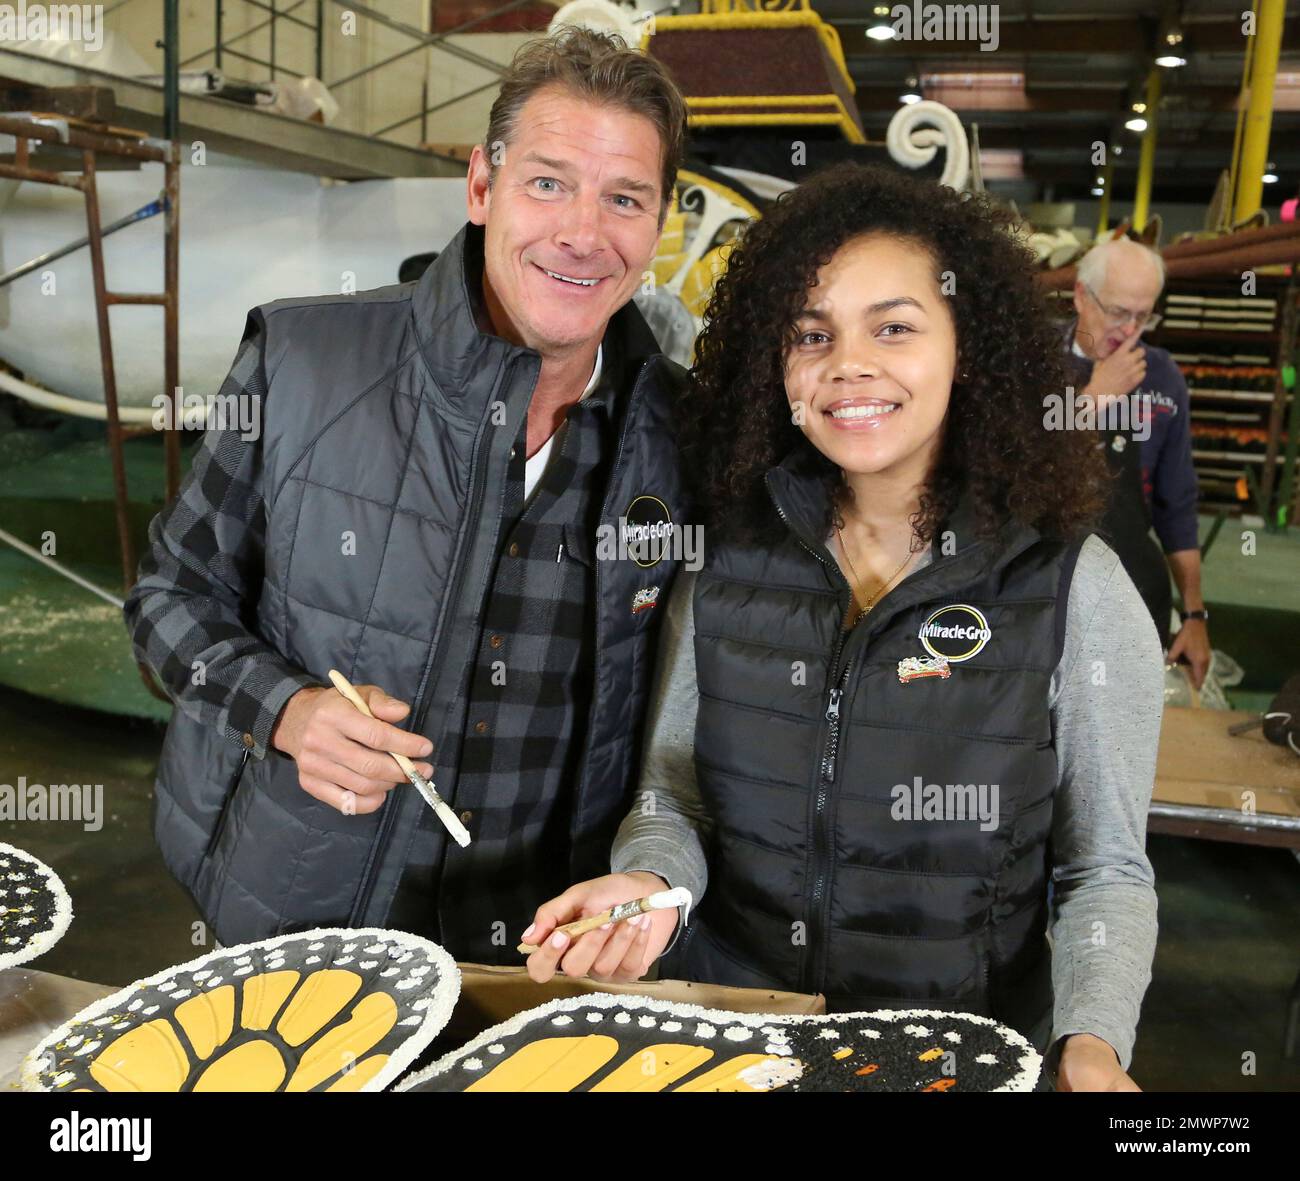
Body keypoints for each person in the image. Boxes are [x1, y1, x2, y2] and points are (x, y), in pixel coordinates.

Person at [522, 163, 1164, 1092]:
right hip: (737, 1039)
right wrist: (653, 884)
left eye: (894, 328)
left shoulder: (1074, 587)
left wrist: (1093, 1042)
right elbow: (675, 793)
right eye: (811, 335)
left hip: (956, 1060)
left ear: (968, 347)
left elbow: (1105, 868)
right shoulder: (728, 560)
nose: (848, 366)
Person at [124, 29, 691, 959]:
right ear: (481, 187)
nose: (583, 233)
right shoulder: (305, 364)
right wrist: (285, 711)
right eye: (547, 182)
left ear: (657, 224)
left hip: (546, 949)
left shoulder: (685, 434)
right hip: (302, 916)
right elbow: (168, 600)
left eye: (624, 198)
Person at [1065, 237, 1210, 684]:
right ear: (1080, 296)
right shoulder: (1028, 363)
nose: (1130, 330)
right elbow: (1008, 465)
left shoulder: (1163, 379)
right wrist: (1093, 398)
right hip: (1041, 590)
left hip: (1130, 587)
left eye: (1143, 316)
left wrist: (1194, 614)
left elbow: (1176, 506)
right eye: (1118, 312)